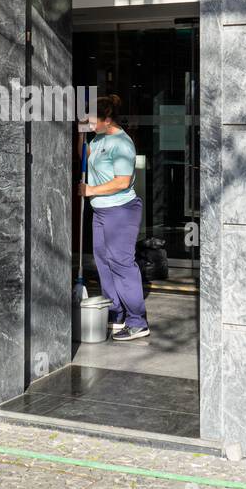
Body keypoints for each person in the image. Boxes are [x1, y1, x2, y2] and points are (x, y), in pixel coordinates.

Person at [79, 95, 149, 341]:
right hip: (101, 210)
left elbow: (121, 181)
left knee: (121, 263)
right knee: (103, 261)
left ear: (107, 119)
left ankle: (137, 321)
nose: (88, 120)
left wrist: (91, 190)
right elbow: (85, 157)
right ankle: (115, 313)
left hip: (121, 210)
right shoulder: (98, 139)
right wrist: (81, 137)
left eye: (92, 118)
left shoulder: (122, 144)